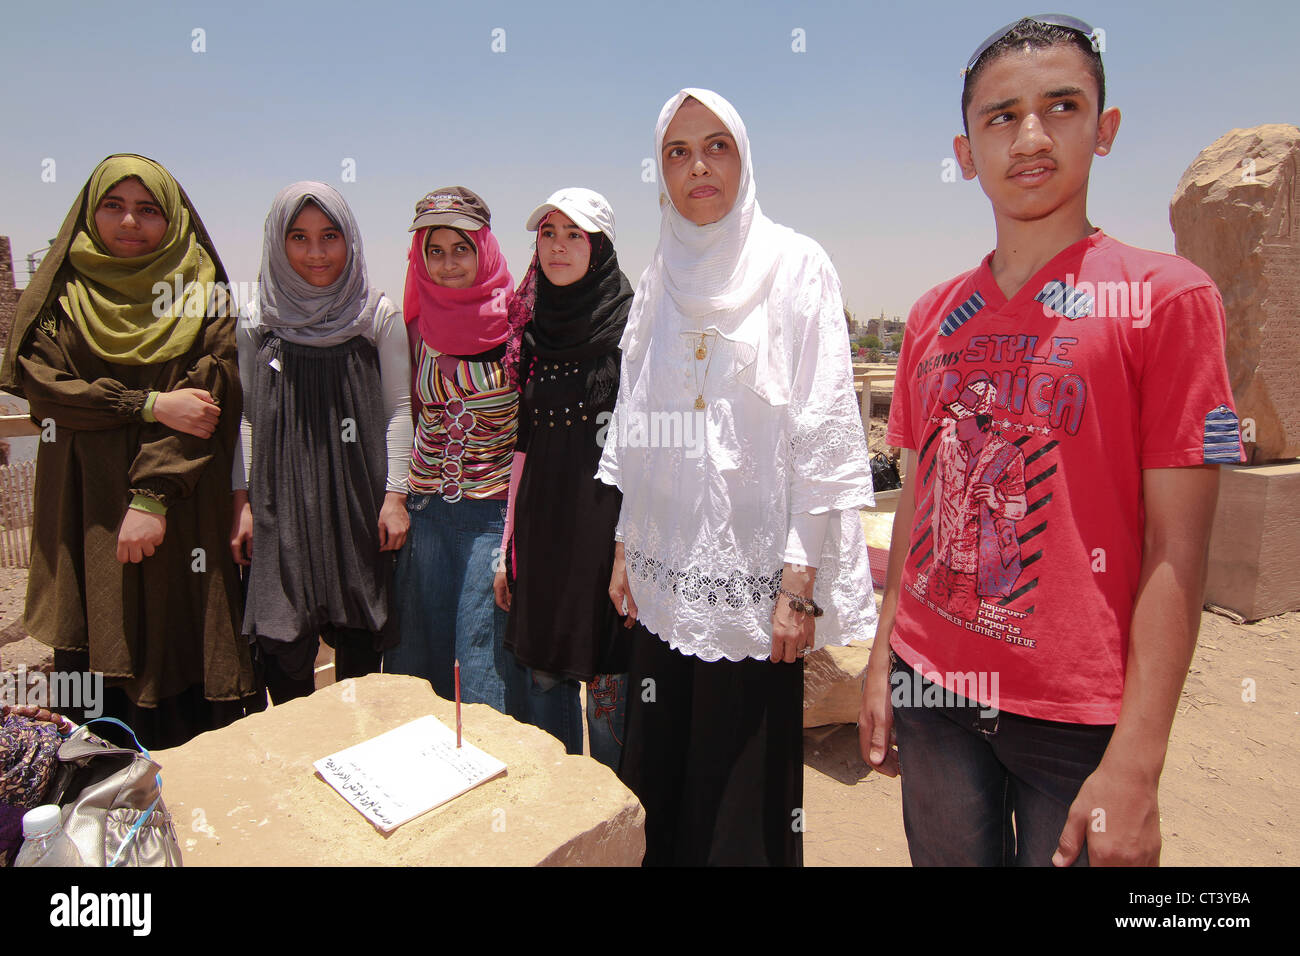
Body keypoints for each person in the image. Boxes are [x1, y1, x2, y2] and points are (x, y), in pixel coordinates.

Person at [857, 15, 1244, 867]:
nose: (1030, 136)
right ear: (965, 151)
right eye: (1001, 116)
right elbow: (917, 499)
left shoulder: (1167, 300)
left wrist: (1138, 765)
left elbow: (1180, 547)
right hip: (932, 683)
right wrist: (886, 658)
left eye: (1060, 106)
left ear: (1104, 129)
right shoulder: (931, 316)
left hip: (1075, 716)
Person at [599, 89, 876, 866]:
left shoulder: (796, 267)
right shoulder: (657, 279)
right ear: (661, 173)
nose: (698, 167)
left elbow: (823, 433)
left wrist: (797, 587)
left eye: (716, 145)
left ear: (744, 156)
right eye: (678, 152)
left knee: (740, 803)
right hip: (663, 580)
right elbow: (638, 423)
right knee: (664, 781)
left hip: (754, 597)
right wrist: (627, 547)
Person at [0, 154, 255, 750]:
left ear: (172, 219)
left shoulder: (202, 294)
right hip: (85, 500)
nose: (130, 222)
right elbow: (47, 390)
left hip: (180, 498)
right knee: (96, 641)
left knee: (179, 634)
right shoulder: (61, 297)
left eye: (147, 209)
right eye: (113, 206)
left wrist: (152, 497)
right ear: (90, 215)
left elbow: (208, 400)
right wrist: (148, 404)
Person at [230, 183, 410, 703]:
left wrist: (395, 496)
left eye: (329, 236)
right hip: (279, 504)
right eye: (299, 237)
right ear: (277, 243)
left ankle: (356, 772)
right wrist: (241, 504)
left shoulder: (376, 315)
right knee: (284, 649)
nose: (316, 253)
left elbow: (400, 408)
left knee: (358, 647)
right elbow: (246, 417)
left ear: (349, 240)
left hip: (357, 503)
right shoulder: (255, 319)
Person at [494, 188, 635, 768]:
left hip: (606, 533)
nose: (558, 247)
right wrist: (506, 549)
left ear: (599, 247)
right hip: (544, 530)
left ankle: (619, 822)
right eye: (548, 234)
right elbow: (521, 450)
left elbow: (646, 451)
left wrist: (633, 551)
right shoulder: (532, 329)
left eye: (574, 235)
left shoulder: (632, 329)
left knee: (610, 689)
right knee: (545, 688)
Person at [385, 187, 524, 714]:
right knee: (418, 657)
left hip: (492, 516)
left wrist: (517, 532)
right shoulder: (416, 324)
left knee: (480, 660)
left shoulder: (518, 323)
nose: (447, 265)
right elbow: (404, 412)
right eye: (434, 251)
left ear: (483, 249)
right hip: (426, 515)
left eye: (460, 249)